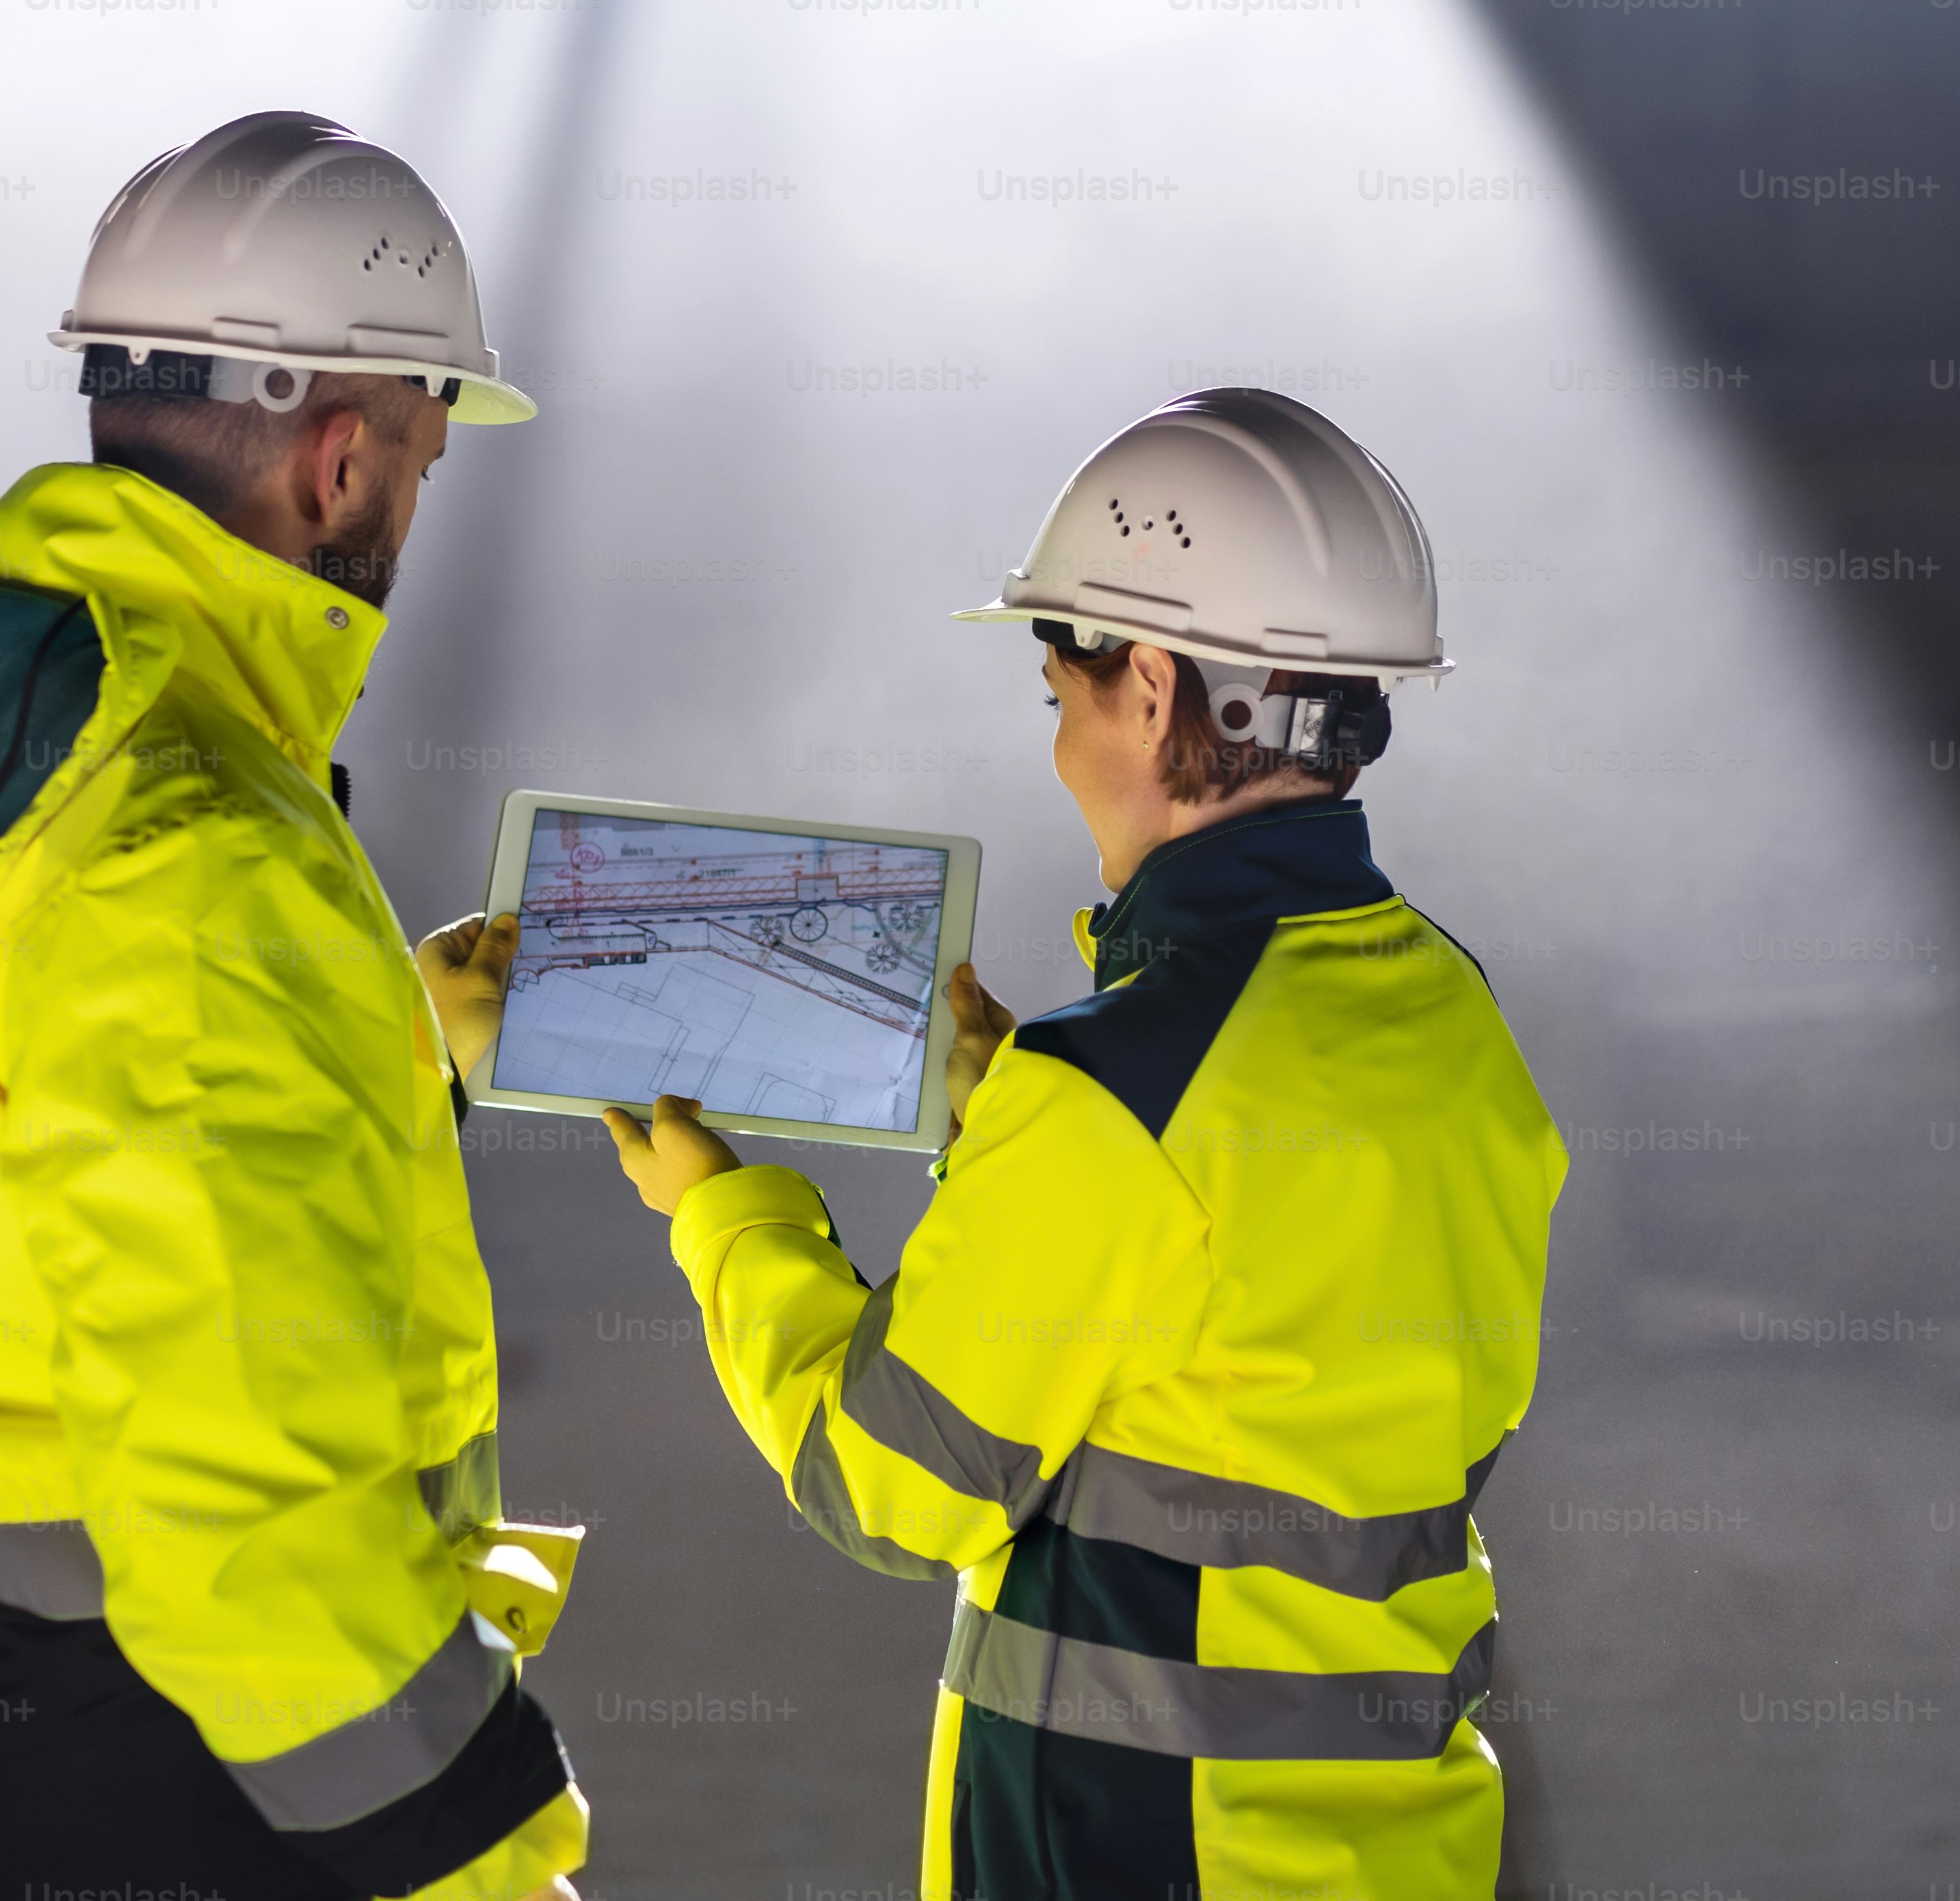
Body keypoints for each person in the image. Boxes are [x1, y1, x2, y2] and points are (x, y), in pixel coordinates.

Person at [0, 112, 585, 1901]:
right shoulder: (199, 847)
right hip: (192, 1758)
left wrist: (385, 1043)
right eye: (423, 452)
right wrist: (487, 1865)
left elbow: (29, 1104)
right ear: (339, 462)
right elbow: (244, 1492)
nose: (414, 502)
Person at [604, 386, 1568, 1899]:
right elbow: (1285, 1352)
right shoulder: (1450, 1008)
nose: (1059, 744)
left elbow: (888, 1481)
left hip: (1141, 1851)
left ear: (1153, 685)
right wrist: (1024, 1118)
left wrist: (726, 1212)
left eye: (1061, 693)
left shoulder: (1116, 1087)